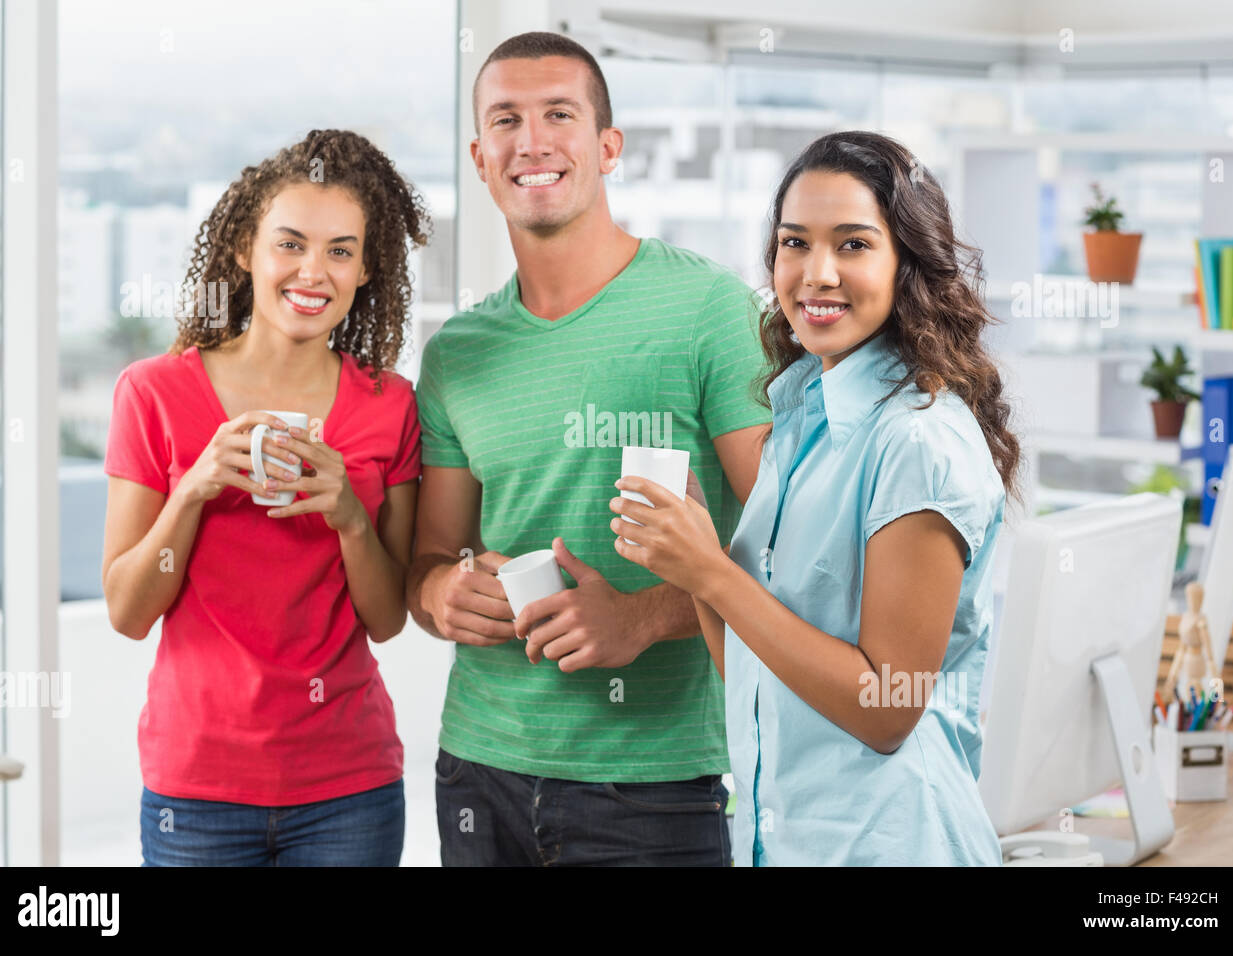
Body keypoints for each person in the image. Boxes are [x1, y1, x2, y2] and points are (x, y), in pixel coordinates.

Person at [407, 31, 770, 866]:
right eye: (506, 120)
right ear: (480, 156)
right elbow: (428, 559)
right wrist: (444, 592)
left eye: (558, 115)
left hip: (652, 784)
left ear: (607, 147)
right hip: (477, 769)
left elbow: (788, 550)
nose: (531, 141)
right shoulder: (456, 353)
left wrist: (643, 618)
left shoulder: (710, 311)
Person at [608, 130, 1021, 866]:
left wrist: (713, 573)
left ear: (908, 264)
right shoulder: (801, 413)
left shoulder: (915, 442)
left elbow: (888, 708)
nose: (815, 272)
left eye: (854, 245)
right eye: (794, 242)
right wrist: (698, 563)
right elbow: (760, 684)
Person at [101, 129, 429, 866]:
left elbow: (388, 619)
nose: (314, 272)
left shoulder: (391, 407)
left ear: (366, 269)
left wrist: (348, 515)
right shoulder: (153, 394)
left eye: (341, 250)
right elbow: (127, 610)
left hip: (350, 788)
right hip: (198, 790)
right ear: (246, 249)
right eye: (291, 243)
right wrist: (193, 489)